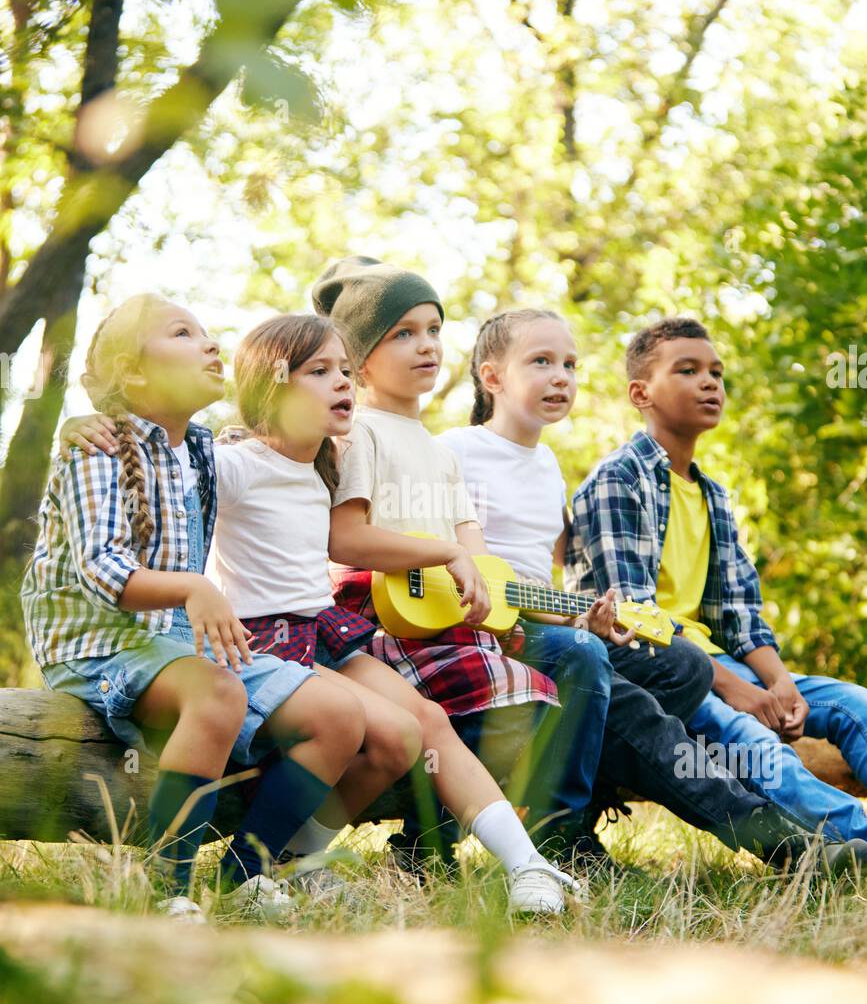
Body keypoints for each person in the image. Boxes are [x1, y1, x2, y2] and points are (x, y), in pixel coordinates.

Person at [59, 305, 586, 917]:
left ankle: (523, 865)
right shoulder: (232, 464)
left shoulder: (324, 466)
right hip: (265, 638)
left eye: (344, 369)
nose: (343, 382)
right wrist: (87, 422)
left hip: (324, 628)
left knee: (415, 731)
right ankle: (253, 868)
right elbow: (160, 455)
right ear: (275, 385)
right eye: (321, 370)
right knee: (361, 726)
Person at [437, 306, 843, 871]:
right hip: (472, 635)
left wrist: (588, 618)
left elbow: (539, 586)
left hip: (540, 632)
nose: (562, 377)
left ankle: (582, 797)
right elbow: (428, 550)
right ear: (492, 377)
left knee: (684, 665)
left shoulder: (547, 465)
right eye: (542, 362)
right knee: (637, 714)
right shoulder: (455, 450)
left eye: (571, 365)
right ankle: (781, 845)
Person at [24, 293, 378, 925]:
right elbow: (103, 569)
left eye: (208, 332)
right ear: (133, 374)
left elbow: (272, 449)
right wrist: (192, 588)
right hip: (97, 645)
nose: (211, 344)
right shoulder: (97, 449)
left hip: (173, 643)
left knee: (339, 715)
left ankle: (248, 872)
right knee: (218, 694)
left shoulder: (202, 453)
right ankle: (167, 883)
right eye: (184, 333)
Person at [568, 315, 867, 866]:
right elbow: (635, 619)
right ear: (642, 393)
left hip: (728, 664)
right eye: (688, 370)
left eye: (716, 373)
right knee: (756, 749)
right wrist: (739, 693)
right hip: (664, 671)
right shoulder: (619, 480)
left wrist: (779, 685)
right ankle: (856, 837)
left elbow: (740, 613)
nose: (710, 383)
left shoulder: (712, 495)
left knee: (854, 705)